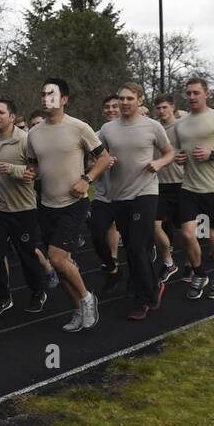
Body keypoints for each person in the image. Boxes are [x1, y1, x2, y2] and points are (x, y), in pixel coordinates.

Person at [25, 78, 110, 330]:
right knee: (59, 266)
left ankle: (87, 299)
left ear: (64, 100)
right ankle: (77, 309)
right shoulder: (34, 133)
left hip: (74, 203)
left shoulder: (79, 127)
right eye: (43, 94)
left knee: (57, 257)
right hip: (47, 204)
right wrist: (31, 174)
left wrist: (87, 179)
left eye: (51, 94)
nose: (45, 98)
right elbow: (33, 166)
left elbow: (104, 159)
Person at [96, 83, 174, 320]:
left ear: (140, 100)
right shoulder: (107, 129)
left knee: (136, 246)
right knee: (132, 246)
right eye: (122, 98)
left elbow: (169, 152)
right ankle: (150, 285)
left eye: (130, 98)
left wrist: (159, 164)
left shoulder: (152, 126)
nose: (125, 102)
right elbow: (96, 155)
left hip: (146, 191)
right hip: (119, 195)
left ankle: (144, 298)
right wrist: (104, 162)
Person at [170, 77, 214, 299]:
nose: (191, 97)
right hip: (189, 187)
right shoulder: (180, 124)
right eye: (188, 93)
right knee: (187, 234)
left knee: (213, 236)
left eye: (196, 93)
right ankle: (200, 273)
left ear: (206, 94)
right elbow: (176, 152)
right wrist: (179, 158)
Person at [0, 98, 47, 316]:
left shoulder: (26, 140)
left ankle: (38, 292)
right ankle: (2, 297)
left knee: (26, 256)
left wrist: (13, 169)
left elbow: (36, 172)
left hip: (23, 209)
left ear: (12, 117)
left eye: (1, 112)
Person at [88, 95, 123, 292]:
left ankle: (137, 281)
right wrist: (100, 164)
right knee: (97, 235)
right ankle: (112, 268)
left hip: (129, 196)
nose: (110, 110)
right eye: (107, 107)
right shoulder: (95, 135)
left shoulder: (132, 132)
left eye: (114, 106)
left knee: (135, 245)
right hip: (103, 195)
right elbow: (84, 164)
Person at [152, 95, 184, 285]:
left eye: (165, 107)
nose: (161, 111)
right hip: (158, 185)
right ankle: (168, 262)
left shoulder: (182, 127)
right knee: (154, 225)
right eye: (158, 108)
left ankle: (192, 264)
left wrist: (185, 156)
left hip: (182, 183)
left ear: (173, 107)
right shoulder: (153, 127)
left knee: (186, 232)